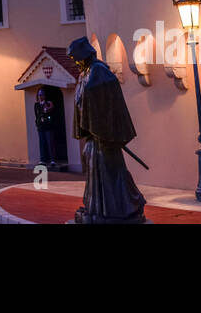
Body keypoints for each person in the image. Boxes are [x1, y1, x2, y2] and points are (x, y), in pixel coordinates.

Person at [68, 36, 147, 224]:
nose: (75, 62)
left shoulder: (99, 71)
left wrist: (101, 129)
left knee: (110, 172)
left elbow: (103, 101)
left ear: (84, 54)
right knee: (96, 170)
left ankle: (122, 208)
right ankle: (97, 210)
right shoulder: (88, 72)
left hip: (104, 136)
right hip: (95, 137)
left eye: (75, 58)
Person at [34, 87, 56, 167]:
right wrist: (37, 123)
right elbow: (36, 115)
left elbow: (52, 112)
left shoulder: (48, 103)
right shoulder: (36, 105)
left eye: (42, 95)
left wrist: (48, 109)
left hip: (48, 126)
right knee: (42, 143)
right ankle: (42, 159)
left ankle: (52, 160)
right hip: (41, 126)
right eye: (39, 95)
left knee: (50, 143)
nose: (40, 96)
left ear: (44, 96)